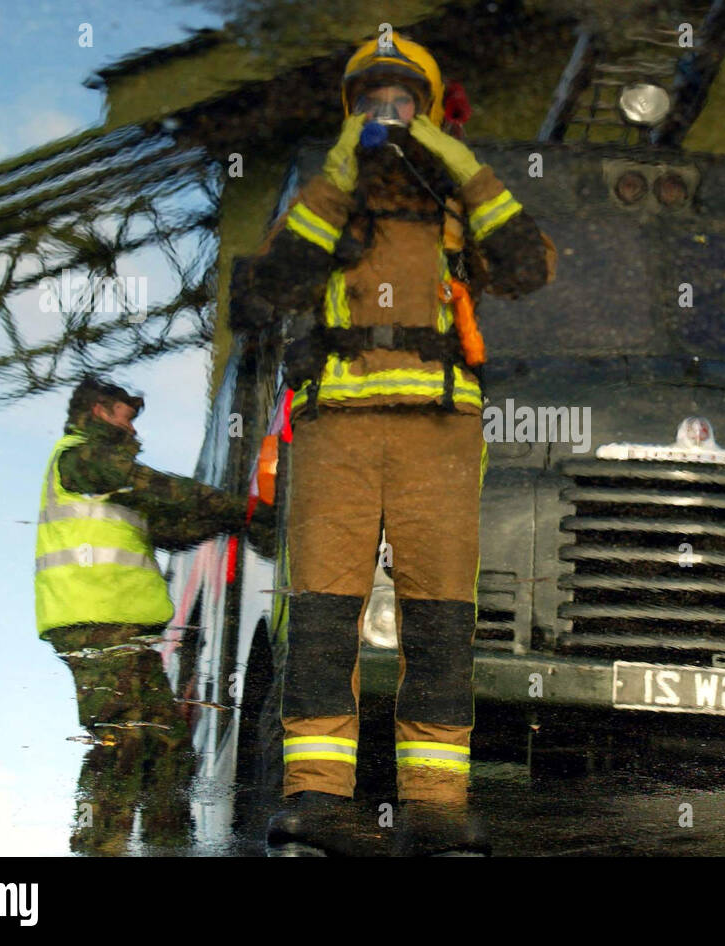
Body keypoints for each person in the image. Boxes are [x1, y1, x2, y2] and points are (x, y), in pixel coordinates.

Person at [239, 31, 554, 855]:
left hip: (440, 438)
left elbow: (528, 264)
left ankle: (438, 806)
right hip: (335, 431)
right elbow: (270, 285)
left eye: (402, 101)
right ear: (350, 113)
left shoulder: (458, 204)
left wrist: (460, 160)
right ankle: (317, 800)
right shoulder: (325, 199)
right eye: (371, 101)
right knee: (321, 620)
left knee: (441, 623)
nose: (388, 113)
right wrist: (342, 168)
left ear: (429, 109)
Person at [35, 376, 274, 852]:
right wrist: (244, 508)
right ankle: (97, 847)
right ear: (101, 411)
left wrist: (237, 517)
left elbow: (171, 525)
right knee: (122, 738)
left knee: (166, 745)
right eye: (128, 415)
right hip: (91, 622)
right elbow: (159, 490)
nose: (135, 427)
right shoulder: (82, 456)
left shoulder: (108, 476)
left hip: (120, 625)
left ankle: (169, 846)